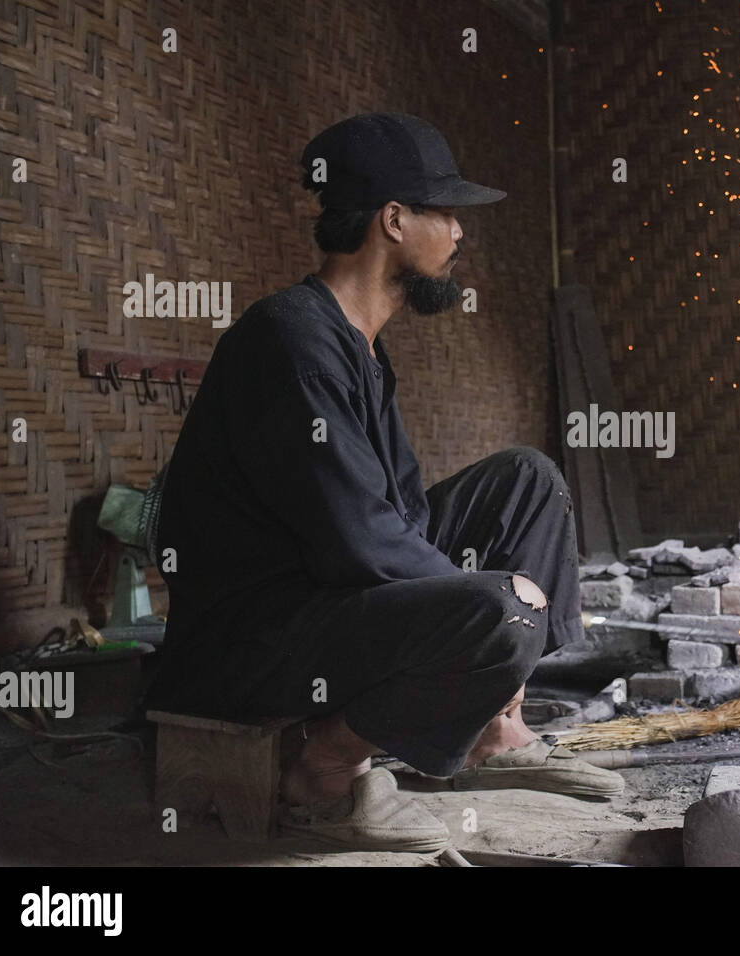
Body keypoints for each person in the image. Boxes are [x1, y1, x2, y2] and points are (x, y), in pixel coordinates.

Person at [142, 112, 622, 851]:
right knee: (503, 611)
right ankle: (325, 773)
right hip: (252, 640)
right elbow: (356, 540)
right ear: (393, 220)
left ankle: (495, 733)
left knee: (527, 480)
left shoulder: (361, 347)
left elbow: (399, 515)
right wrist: (495, 612)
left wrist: (490, 621)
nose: (460, 234)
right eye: (445, 213)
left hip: (327, 593)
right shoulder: (292, 342)